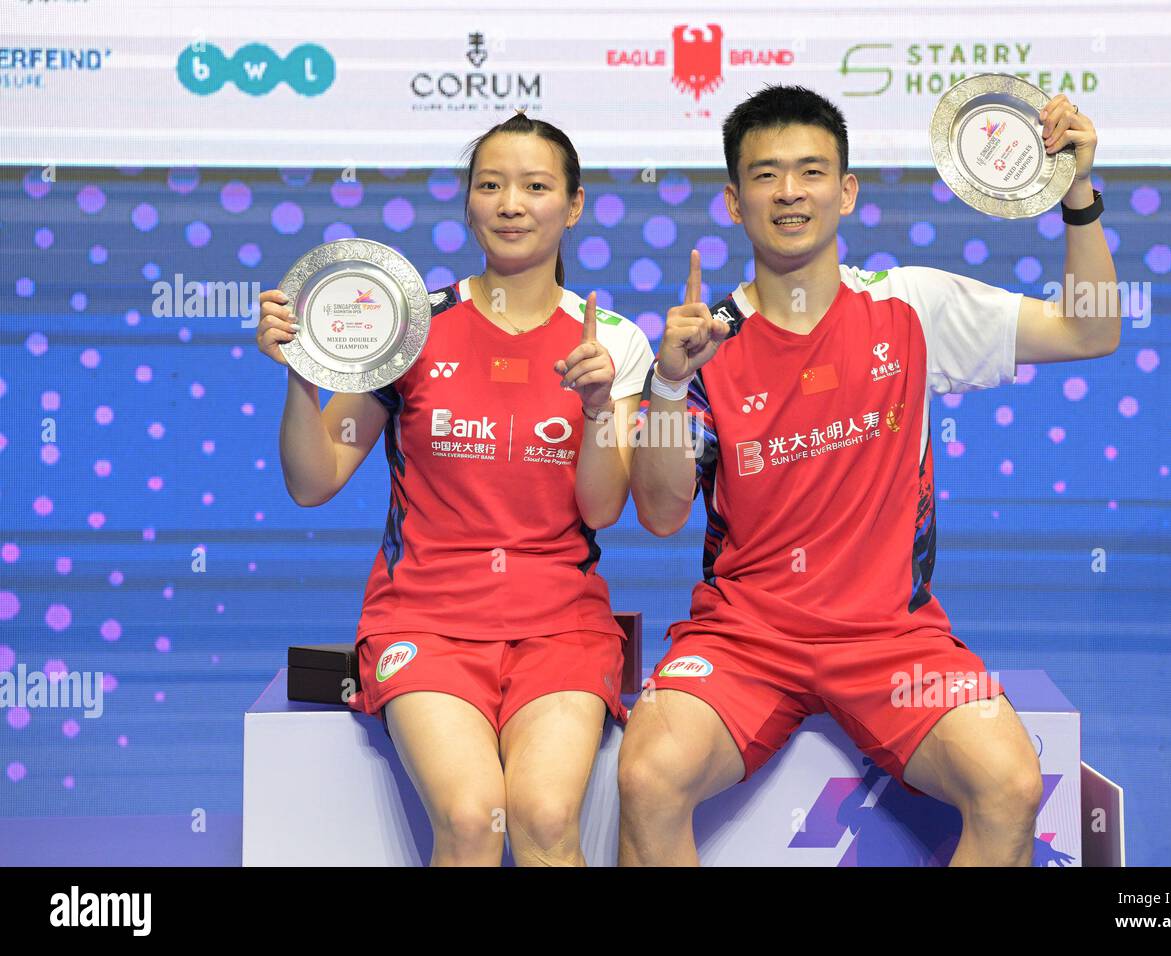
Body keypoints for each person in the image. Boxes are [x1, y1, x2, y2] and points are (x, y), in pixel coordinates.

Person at [619, 84, 1116, 866]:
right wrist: (670, 386)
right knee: (649, 776)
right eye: (766, 174)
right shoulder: (703, 345)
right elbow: (657, 511)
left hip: (891, 642)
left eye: (812, 171)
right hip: (747, 642)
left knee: (1011, 784)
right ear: (733, 200)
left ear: (846, 192)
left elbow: (1090, 330)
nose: (790, 192)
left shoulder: (910, 307)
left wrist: (1077, 195)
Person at [255, 112, 654, 866]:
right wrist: (305, 376)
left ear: (572, 206)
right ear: (468, 203)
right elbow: (314, 482)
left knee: (542, 817)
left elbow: (602, 509)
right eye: (491, 185)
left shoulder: (613, 342)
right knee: (473, 820)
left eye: (536, 187)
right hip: (426, 622)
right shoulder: (409, 326)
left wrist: (601, 410)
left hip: (559, 627)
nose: (511, 204)